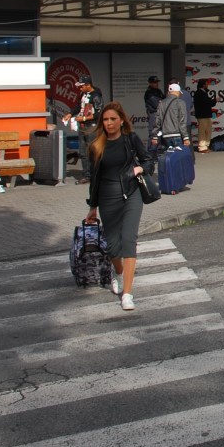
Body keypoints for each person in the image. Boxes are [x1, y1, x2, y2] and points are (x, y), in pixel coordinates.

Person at [84, 102, 153, 312]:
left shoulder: (130, 140)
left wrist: (140, 168)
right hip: (107, 198)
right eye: (105, 120)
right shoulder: (96, 145)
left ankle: (127, 293)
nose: (109, 123)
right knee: (113, 246)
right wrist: (92, 206)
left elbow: (148, 160)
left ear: (121, 120)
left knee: (128, 240)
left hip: (131, 194)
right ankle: (119, 273)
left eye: (113, 119)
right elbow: (94, 179)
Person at [150, 83, 191, 150]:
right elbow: (182, 121)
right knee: (178, 157)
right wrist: (185, 137)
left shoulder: (161, 103)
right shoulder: (181, 102)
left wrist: (155, 136)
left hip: (165, 136)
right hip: (177, 135)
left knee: (168, 157)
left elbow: (157, 120)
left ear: (169, 92)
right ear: (178, 92)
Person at [193, 78, 217, 152]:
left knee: (208, 131)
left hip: (206, 115)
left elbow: (208, 102)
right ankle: (202, 147)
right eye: (207, 84)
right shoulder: (199, 93)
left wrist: (213, 101)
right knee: (202, 131)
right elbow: (205, 103)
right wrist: (214, 100)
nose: (208, 85)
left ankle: (206, 145)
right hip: (202, 115)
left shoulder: (204, 92)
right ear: (203, 85)